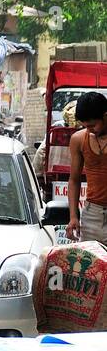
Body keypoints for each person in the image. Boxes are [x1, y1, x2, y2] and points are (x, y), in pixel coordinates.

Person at [68, 91, 107, 244]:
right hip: (92, 216)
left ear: (105, 115)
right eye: (86, 126)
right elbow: (74, 180)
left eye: (93, 125)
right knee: (91, 265)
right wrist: (73, 216)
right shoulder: (78, 139)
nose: (90, 130)